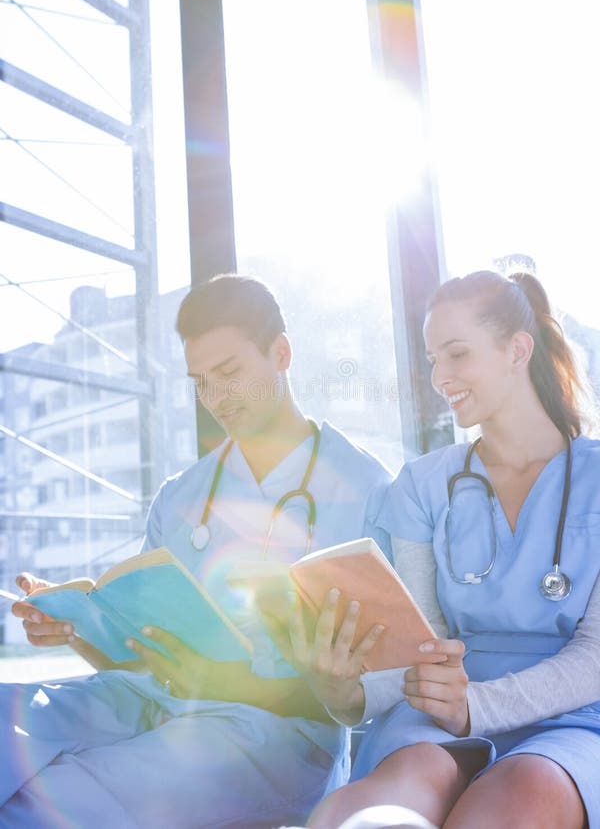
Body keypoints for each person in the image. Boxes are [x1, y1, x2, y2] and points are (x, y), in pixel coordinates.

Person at [1, 274, 392, 829]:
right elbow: (140, 655)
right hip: (156, 700)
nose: (215, 399)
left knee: (50, 799)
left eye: (229, 374)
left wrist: (222, 680)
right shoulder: (183, 495)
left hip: (280, 732)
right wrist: (77, 627)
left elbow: (378, 684)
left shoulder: (365, 489)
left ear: (282, 353)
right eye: (201, 382)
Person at [286, 271, 600, 829]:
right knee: (364, 813)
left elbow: (596, 656)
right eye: (433, 359)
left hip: (573, 719)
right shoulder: (423, 485)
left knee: (514, 802)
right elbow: (421, 641)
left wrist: (476, 706)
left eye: (457, 354)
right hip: (436, 708)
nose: (439, 377)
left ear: (517, 350)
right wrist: (347, 691)